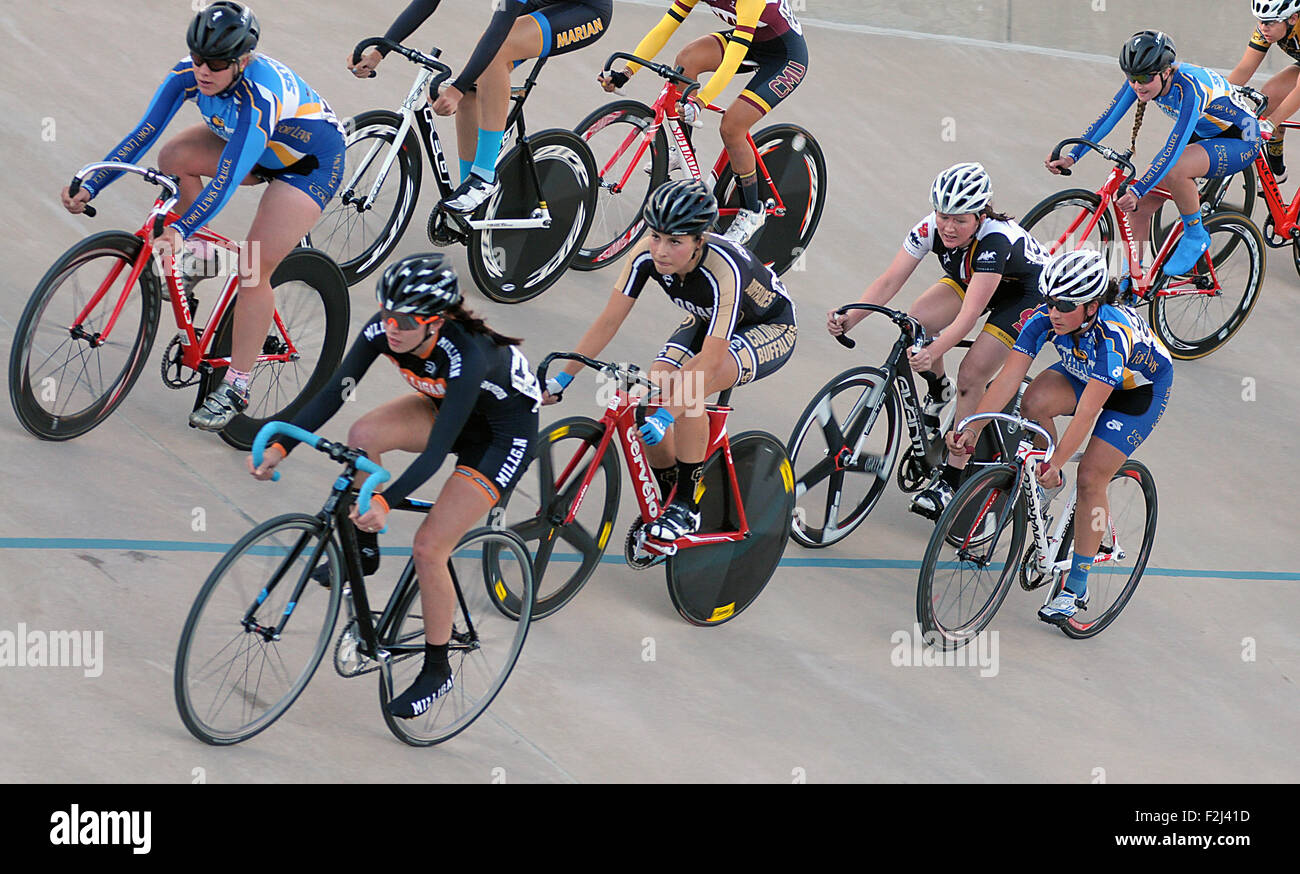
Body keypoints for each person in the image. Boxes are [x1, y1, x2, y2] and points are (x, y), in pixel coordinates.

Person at [248, 254, 541, 717]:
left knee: (429, 548)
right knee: (363, 436)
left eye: (403, 320)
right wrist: (282, 446)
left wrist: (386, 500)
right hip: (446, 410)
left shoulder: (468, 354)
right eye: (385, 313)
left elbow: (434, 453)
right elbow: (331, 392)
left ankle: (437, 667)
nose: (391, 327)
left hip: (500, 437)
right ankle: (363, 551)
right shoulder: (386, 328)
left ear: (435, 322)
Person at [62, 2, 347, 432]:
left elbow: (229, 180)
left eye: (215, 62)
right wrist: (92, 183)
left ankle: (237, 384)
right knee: (174, 156)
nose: (203, 70)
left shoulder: (259, 95)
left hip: (306, 166)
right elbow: (144, 133)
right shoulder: (188, 73)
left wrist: (180, 227)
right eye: (197, 57)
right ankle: (198, 256)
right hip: (251, 146)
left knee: (253, 267)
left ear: (243, 61)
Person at [543, 179, 797, 542]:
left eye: (675, 241)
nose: (661, 250)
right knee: (656, 388)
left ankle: (687, 507)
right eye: (657, 236)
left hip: (768, 327)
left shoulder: (724, 268)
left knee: (687, 390)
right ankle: (669, 496)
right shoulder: (646, 254)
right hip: (707, 319)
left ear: (700, 241)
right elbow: (608, 321)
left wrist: (667, 414)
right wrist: (562, 378)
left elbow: (710, 362)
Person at [949, 249, 1173, 624]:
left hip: (1137, 392)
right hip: (1085, 369)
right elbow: (1007, 379)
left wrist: (1056, 462)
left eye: (1065, 305)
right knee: (1033, 400)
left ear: (1091, 306)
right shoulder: (1044, 319)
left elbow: (1087, 413)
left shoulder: (1111, 336)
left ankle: (1077, 586)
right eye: (1050, 300)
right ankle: (1046, 484)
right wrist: (973, 426)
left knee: (1090, 478)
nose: (1054, 311)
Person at [827, 162, 1048, 518]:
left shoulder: (994, 239)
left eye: (960, 220)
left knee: (973, 373)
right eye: (944, 216)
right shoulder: (929, 228)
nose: (948, 227)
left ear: (980, 215)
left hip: (1024, 295)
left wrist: (934, 351)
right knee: (917, 320)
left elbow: (968, 316)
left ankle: (952, 476)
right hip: (977, 279)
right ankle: (938, 389)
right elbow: (888, 281)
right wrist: (849, 318)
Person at [348, 0, 613, 213]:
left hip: (586, 10)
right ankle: (470, 198)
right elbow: (425, 3)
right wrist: (378, 52)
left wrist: (457, 88)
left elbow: (498, 35)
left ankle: (484, 177)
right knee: (473, 87)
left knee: (495, 54)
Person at [1047, 30, 1261, 281]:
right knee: (1139, 208)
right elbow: (1108, 118)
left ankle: (1195, 235)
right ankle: (1133, 278)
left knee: (1175, 170)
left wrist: (1137, 190)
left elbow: (1174, 147)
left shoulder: (1191, 88)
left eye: (1145, 78)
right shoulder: (1143, 80)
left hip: (1241, 138)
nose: (1137, 85)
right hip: (1204, 133)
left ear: (1166, 72)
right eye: (1131, 77)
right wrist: (1073, 156)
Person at [600, 0, 809, 245]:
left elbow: (732, 61)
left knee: (732, 127)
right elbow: (664, 27)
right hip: (750, 39)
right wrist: (626, 72)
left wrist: (701, 102)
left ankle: (752, 212)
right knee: (686, 61)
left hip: (784, 58)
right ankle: (682, 148)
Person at [1227, 0, 1300, 184]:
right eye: (1260, 21)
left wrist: (1270, 123)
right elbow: (1244, 69)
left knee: (1271, 119)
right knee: (1270, 95)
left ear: (1293, 18)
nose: (1262, 27)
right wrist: (1213, 98)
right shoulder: (1267, 26)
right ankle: (1276, 169)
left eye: (1269, 23)